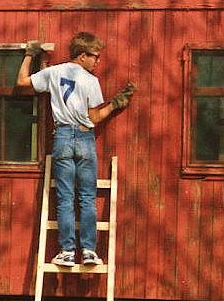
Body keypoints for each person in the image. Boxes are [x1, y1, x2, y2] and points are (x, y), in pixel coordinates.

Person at [16, 32, 135, 267]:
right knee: (87, 198)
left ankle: (67, 252)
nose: (97, 61)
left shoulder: (53, 72)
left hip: (62, 137)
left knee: (65, 198)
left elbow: (22, 82)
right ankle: (89, 251)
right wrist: (114, 104)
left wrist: (30, 54)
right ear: (82, 56)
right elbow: (95, 117)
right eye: (95, 56)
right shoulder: (90, 81)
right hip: (84, 138)